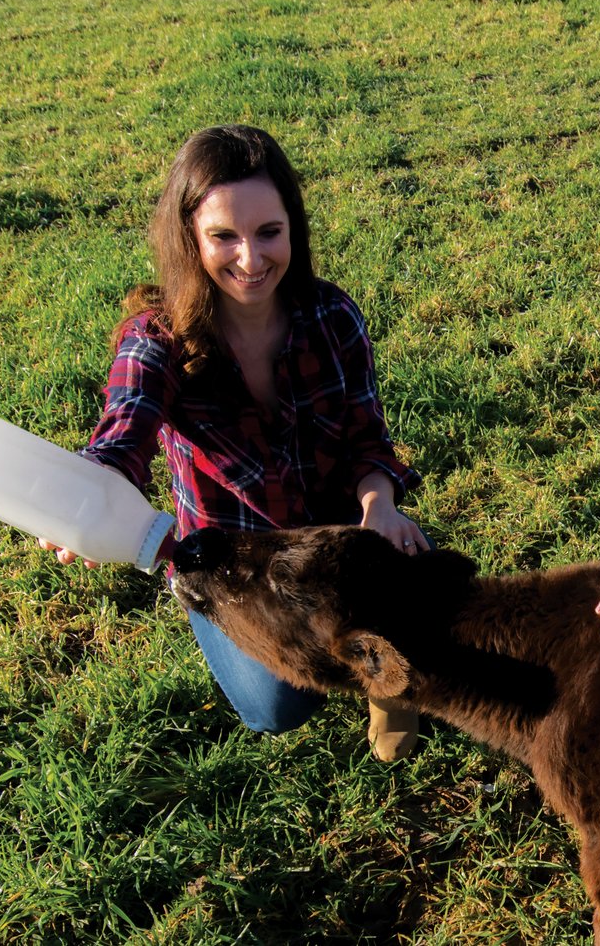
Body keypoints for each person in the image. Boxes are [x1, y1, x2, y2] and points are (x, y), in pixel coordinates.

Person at [42, 124, 427, 758]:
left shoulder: (332, 316)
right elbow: (124, 429)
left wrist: (378, 507)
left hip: (335, 536)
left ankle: (389, 690)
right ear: (190, 238)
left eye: (269, 233)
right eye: (224, 236)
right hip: (231, 560)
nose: (250, 259)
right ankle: (212, 612)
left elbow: (367, 440)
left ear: (292, 230)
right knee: (279, 705)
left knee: (425, 606)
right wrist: (86, 494)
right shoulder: (157, 337)